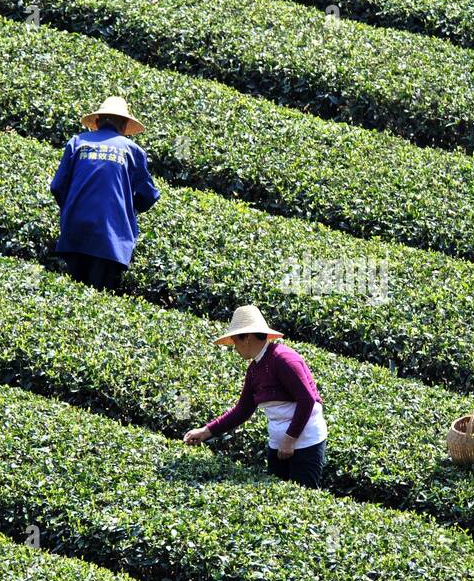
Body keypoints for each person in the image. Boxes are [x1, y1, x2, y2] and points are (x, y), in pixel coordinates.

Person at [182, 305, 328, 487]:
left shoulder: (284, 360)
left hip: (306, 441)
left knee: (304, 498)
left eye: (235, 341)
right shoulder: (254, 369)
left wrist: (290, 440)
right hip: (278, 443)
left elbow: (306, 400)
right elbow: (242, 410)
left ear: (248, 338)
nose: (235, 348)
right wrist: (206, 431)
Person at [50, 96, 159, 293]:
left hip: (75, 233)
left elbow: (57, 187)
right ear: (124, 126)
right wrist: (127, 209)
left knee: (72, 295)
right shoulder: (132, 151)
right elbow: (149, 195)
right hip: (112, 239)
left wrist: (73, 208)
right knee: (99, 300)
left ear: (97, 122)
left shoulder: (77, 143)